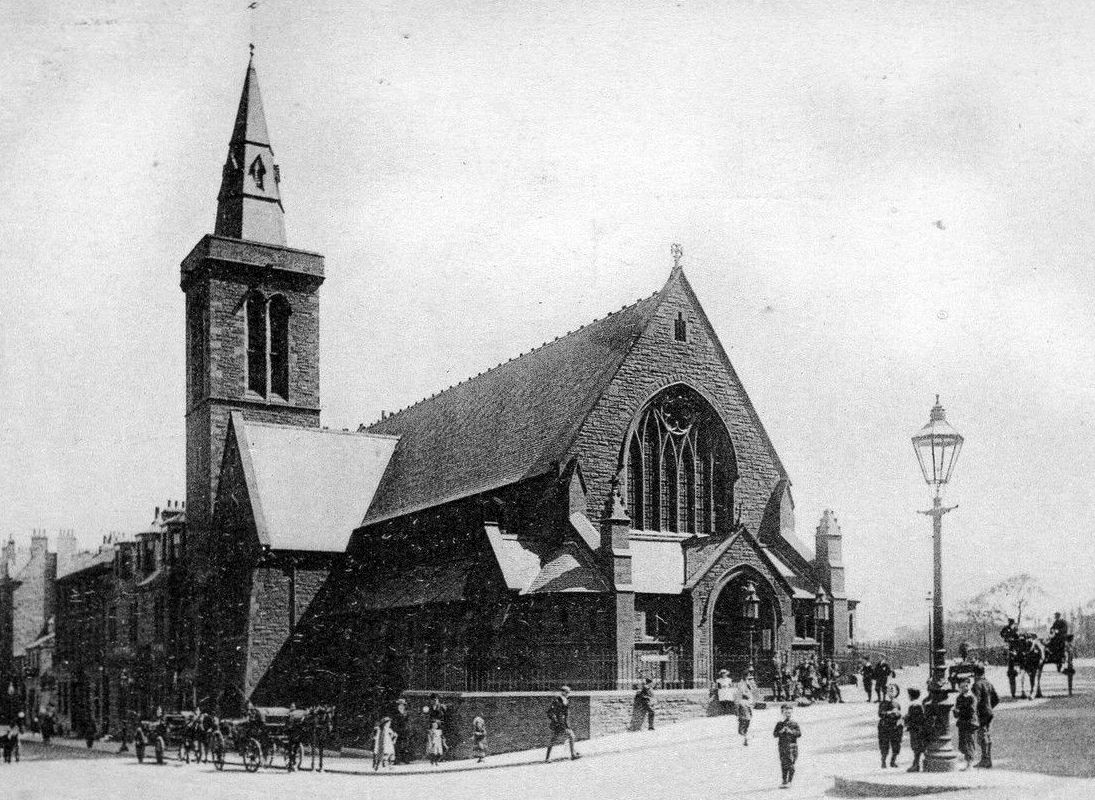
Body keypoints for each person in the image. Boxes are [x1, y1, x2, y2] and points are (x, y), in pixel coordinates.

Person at [971, 664, 999, 769]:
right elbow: (997, 699)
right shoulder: (988, 683)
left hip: (981, 714)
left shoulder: (976, 685)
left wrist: (975, 712)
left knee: (982, 736)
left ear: (975, 674)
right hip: (989, 713)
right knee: (987, 735)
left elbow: (976, 701)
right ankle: (989, 759)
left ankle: (984, 759)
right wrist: (990, 707)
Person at [544, 685, 579, 762]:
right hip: (559, 723)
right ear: (563, 692)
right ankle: (572, 754)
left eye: (568, 692)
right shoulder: (557, 701)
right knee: (565, 737)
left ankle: (573, 754)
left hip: (564, 723)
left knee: (568, 737)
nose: (568, 694)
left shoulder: (566, 700)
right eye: (567, 692)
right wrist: (556, 720)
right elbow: (550, 712)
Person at [773, 703, 802, 789]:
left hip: (792, 746)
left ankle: (790, 781)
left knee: (791, 764)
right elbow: (775, 734)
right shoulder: (779, 724)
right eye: (786, 713)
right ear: (782, 713)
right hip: (782, 746)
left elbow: (799, 734)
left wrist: (791, 731)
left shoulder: (794, 723)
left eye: (789, 713)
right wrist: (781, 731)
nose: (788, 715)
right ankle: (784, 780)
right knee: (783, 763)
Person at [953, 678, 978, 770]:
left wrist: (959, 711)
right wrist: (955, 712)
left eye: (966, 686)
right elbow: (957, 710)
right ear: (959, 688)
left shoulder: (971, 697)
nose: (965, 688)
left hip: (970, 723)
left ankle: (970, 764)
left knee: (969, 743)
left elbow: (971, 711)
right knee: (963, 744)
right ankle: (967, 763)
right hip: (962, 723)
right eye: (962, 687)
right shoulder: (959, 698)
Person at [877, 684, 903, 768]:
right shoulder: (883, 703)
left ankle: (893, 761)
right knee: (884, 744)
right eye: (889, 690)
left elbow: (901, 715)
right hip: (885, 726)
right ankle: (883, 761)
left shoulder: (898, 703)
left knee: (896, 745)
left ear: (897, 692)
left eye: (893, 690)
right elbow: (880, 713)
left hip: (896, 726)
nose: (891, 692)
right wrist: (890, 713)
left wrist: (899, 715)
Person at [904, 688, 927, 772]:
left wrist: (907, 719)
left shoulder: (914, 706)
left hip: (915, 729)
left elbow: (915, 718)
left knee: (916, 747)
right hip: (918, 728)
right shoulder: (918, 705)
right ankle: (915, 764)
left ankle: (916, 764)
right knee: (918, 747)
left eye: (909, 695)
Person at [735, 669, 756, 746]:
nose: (748, 677)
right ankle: (745, 736)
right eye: (747, 676)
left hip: (748, 703)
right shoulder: (740, 683)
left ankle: (745, 735)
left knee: (747, 719)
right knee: (744, 719)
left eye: (748, 676)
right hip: (743, 702)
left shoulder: (749, 683)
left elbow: (752, 690)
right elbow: (741, 693)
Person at [391, 697, 413, 765]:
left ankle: (405, 759)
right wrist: (394, 731)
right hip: (398, 731)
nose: (401, 706)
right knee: (397, 746)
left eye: (402, 705)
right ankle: (397, 760)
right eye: (399, 705)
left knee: (405, 746)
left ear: (404, 706)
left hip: (405, 731)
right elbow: (394, 723)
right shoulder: (395, 714)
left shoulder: (406, 713)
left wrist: (408, 729)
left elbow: (408, 722)